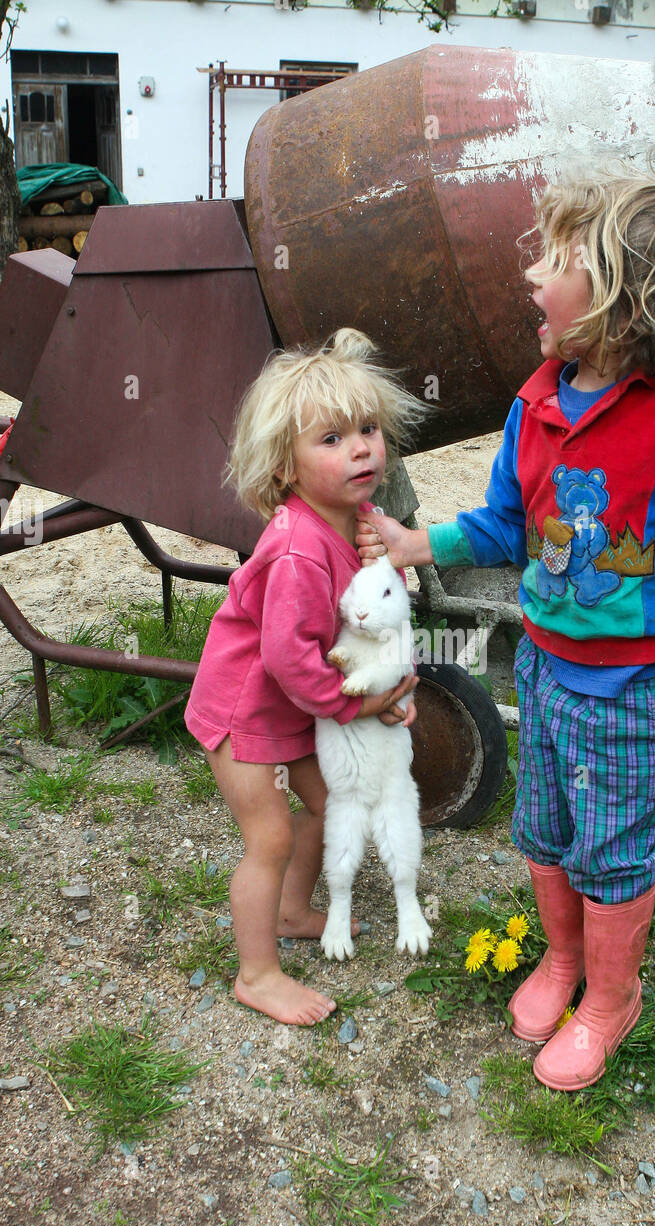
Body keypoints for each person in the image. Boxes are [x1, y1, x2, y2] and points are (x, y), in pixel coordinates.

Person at [356, 170, 655, 1090]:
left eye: (556, 262)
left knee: (613, 841)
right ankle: (563, 963)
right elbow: (504, 528)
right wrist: (414, 539)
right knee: (544, 824)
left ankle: (610, 997)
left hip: (638, 685)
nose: (531, 280)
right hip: (548, 668)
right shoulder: (536, 404)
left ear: (625, 297)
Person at [184, 329, 426, 1025]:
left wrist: (390, 560)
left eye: (369, 429)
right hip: (244, 709)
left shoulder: (358, 519)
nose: (361, 448)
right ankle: (257, 973)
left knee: (328, 804)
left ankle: (291, 910)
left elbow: (377, 606)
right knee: (271, 838)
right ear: (284, 466)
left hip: (299, 703)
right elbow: (291, 658)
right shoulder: (295, 549)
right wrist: (361, 705)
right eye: (332, 438)